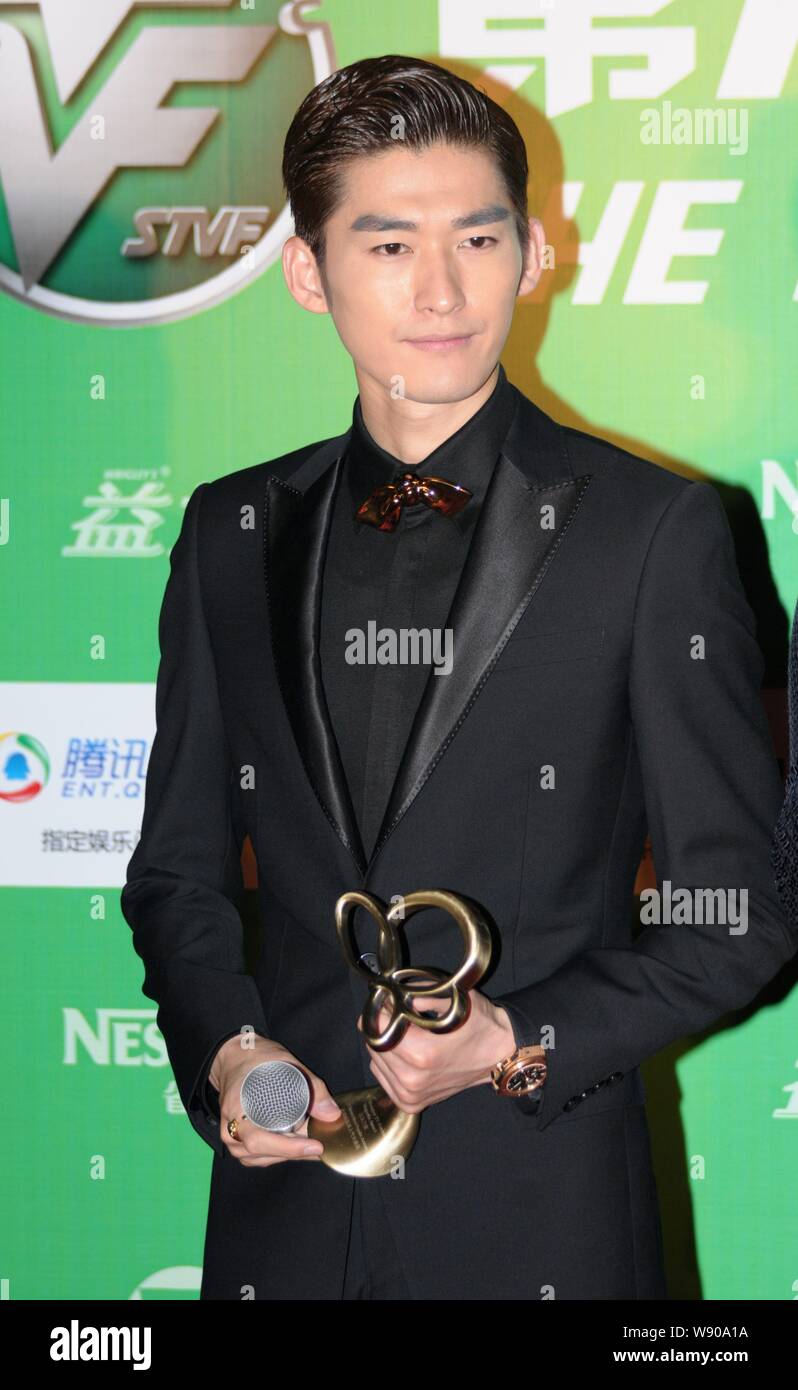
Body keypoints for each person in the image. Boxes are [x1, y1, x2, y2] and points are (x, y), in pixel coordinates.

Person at [120, 54, 797, 1301]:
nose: (441, 290)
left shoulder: (653, 535)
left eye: (477, 238)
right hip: (288, 1226)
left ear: (531, 253)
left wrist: (517, 1038)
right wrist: (229, 1053)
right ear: (308, 273)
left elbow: (740, 911)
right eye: (388, 246)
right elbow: (176, 872)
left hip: (542, 1223)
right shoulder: (230, 532)